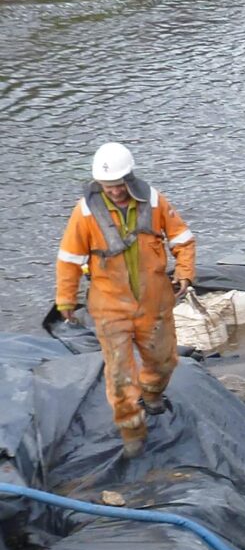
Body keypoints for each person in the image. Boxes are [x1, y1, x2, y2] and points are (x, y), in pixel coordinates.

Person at [54, 142, 195, 459]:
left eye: (119, 184)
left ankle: (152, 392)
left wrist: (185, 272)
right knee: (119, 373)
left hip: (154, 300)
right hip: (109, 304)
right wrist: (66, 300)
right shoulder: (85, 213)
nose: (115, 191)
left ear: (130, 177)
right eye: (108, 186)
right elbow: (69, 259)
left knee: (163, 360)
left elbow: (183, 239)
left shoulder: (154, 202)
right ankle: (131, 429)